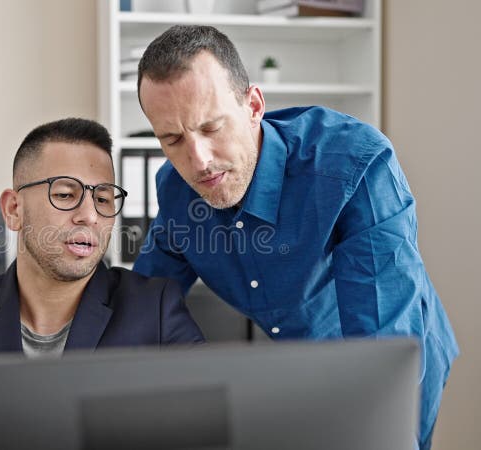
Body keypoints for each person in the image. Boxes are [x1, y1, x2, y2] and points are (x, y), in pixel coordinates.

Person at [132, 25, 458, 450]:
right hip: (298, 364)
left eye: (211, 128)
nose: (199, 162)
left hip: (390, 357)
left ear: (253, 106)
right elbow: (144, 306)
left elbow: (382, 350)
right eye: (172, 139)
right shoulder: (177, 190)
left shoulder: (354, 165)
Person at [0, 118, 204, 360]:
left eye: (102, 198)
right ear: (13, 209)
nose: (89, 215)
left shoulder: (156, 310)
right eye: (64, 194)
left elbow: (208, 420)